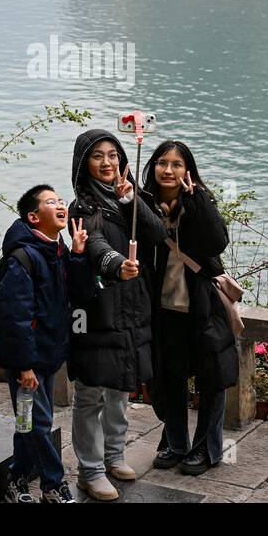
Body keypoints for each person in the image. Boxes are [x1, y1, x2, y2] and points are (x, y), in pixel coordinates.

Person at [67, 129, 167, 501]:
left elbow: (156, 234)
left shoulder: (132, 199)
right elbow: (94, 245)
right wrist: (116, 265)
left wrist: (130, 200)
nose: (107, 163)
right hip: (97, 307)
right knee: (91, 391)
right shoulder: (81, 207)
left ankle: (114, 456)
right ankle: (89, 471)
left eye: (112, 155)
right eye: (97, 157)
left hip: (132, 306)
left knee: (120, 387)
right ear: (84, 164)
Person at [141, 140, 237, 475]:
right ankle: (174, 441)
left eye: (177, 164)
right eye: (162, 163)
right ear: (152, 167)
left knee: (211, 376)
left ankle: (206, 449)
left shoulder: (198, 201)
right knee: (170, 377)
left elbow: (217, 241)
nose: (168, 170)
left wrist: (196, 201)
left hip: (202, 304)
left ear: (188, 170)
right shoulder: (144, 204)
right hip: (163, 308)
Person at [0, 184, 94, 503]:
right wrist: (23, 366)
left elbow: (78, 294)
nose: (61, 204)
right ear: (34, 217)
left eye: (60, 200)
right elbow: (15, 317)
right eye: (51, 202)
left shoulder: (57, 249)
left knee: (30, 422)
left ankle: (17, 478)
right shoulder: (23, 259)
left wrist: (78, 254)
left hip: (47, 357)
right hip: (27, 362)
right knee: (38, 423)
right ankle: (54, 485)